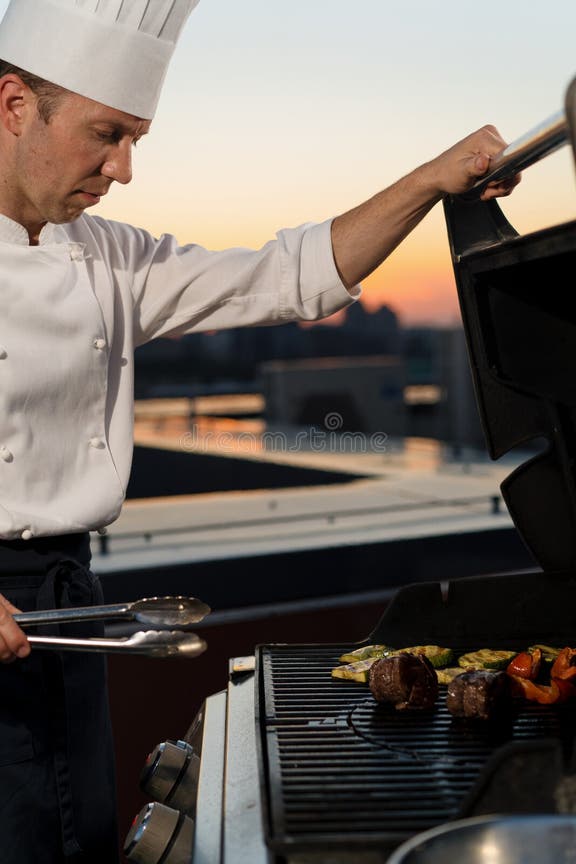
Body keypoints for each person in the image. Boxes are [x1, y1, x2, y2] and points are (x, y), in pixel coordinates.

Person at [0, 0, 520, 862]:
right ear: (14, 103)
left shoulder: (106, 255)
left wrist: (433, 180)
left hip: (74, 602)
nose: (123, 168)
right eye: (106, 133)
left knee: (75, 836)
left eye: (136, 138)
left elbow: (285, 277)